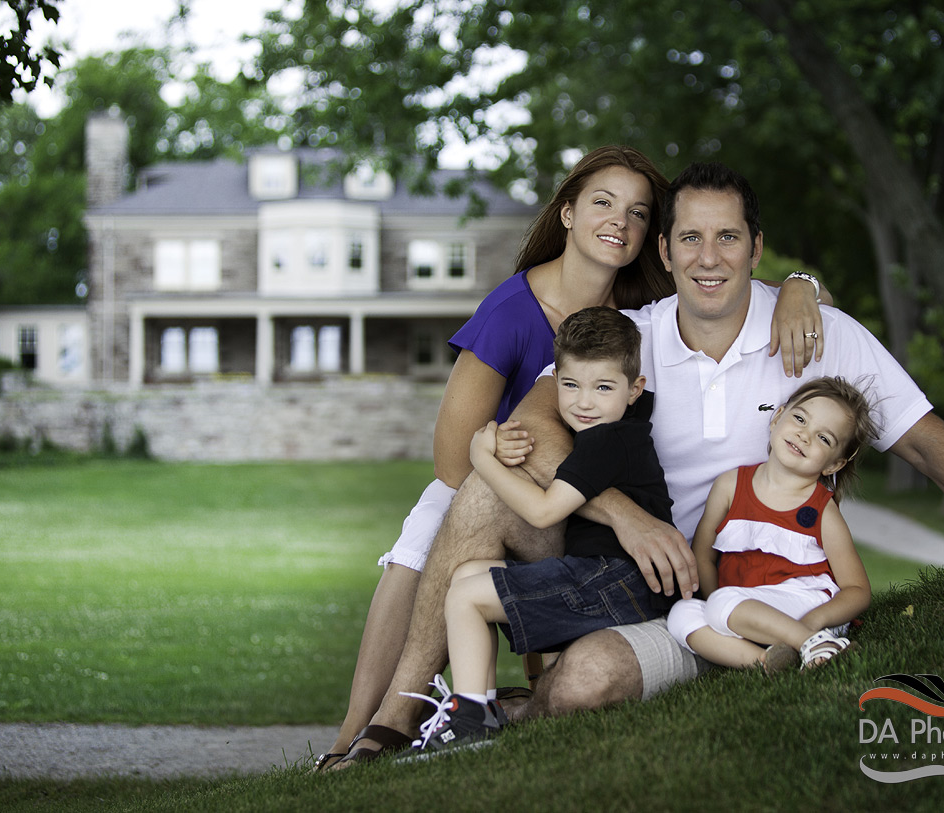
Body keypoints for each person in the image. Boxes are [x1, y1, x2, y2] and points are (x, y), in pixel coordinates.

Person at [328, 159, 944, 764]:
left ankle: (492, 711)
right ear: (664, 251)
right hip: (629, 571)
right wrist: (625, 517)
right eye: (689, 238)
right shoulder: (634, 338)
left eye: (728, 237)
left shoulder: (820, 334)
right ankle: (392, 723)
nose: (708, 257)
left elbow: (925, 439)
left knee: (586, 682)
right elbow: (531, 421)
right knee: (481, 494)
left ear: (756, 249)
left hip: (723, 600)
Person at [318, 149, 830, 769]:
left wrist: (800, 285)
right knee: (428, 532)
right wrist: (522, 463)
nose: (620, 221)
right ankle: (364, 731)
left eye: (638, 212)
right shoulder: (514, 310)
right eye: (603, 203)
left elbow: (736, 282)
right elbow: (453, 465)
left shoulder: (644, 304)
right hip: (504, 474)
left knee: (517, 575)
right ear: (566, 213)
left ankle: (486, 707)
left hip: (581, 488)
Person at [405, 307, 673, 753]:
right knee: (469, 575)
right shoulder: (619, 423)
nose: (583, 402)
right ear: (556, 381)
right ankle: (480, 710)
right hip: (608, 577)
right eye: (570, 385)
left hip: (619, 582)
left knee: (467, 597)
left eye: (603, 387)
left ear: (634, 389)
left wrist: (482, 458)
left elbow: (544, 511)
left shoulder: (607, 440)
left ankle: (469, 721)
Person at [666, 376, 877, 673]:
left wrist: (814, 620)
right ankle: (769, 662)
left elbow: (857, 589)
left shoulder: (822, 511)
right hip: (744, 606)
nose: (804, 436)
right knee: (682, 614)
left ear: (833, 465)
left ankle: (815, 641)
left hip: (806, 605)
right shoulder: (730, 486)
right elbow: (703, 556)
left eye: (824, 438)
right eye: (800, 419)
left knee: (722, 604)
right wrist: (722, 610)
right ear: (777, 418)